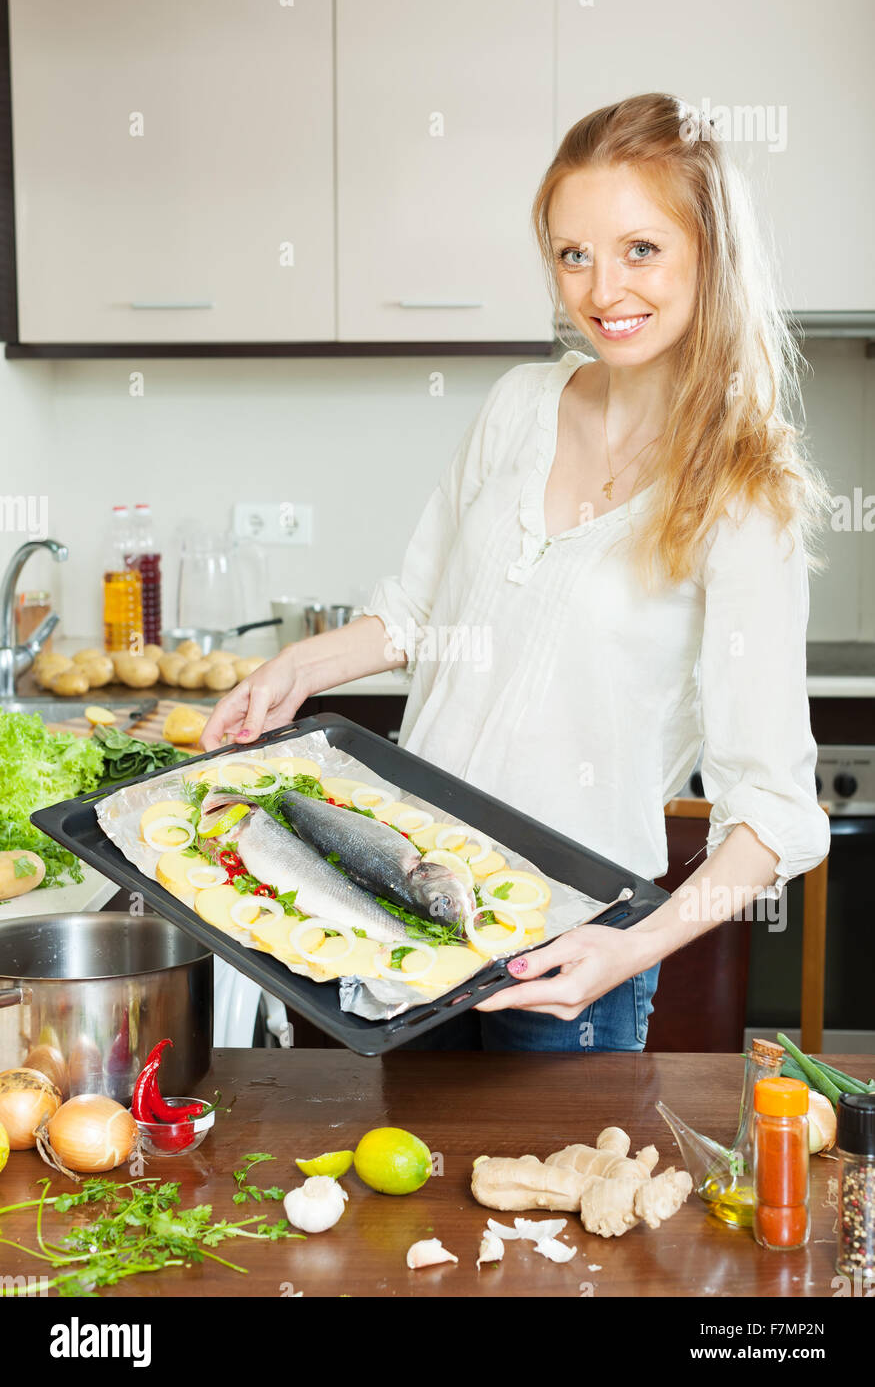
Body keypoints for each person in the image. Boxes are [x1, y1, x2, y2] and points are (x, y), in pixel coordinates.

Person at [202, 93, 831, 1053]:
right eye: (572, 253)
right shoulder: (520, 404)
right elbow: (417, 609)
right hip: (405, 894)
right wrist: (298, 668)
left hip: (569, 941)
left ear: (711, 253)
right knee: (401, 1195)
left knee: (538, 1201)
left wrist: (632, 948)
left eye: (640, 249)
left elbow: (775, 809)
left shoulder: (745, 491)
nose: (601, 288)